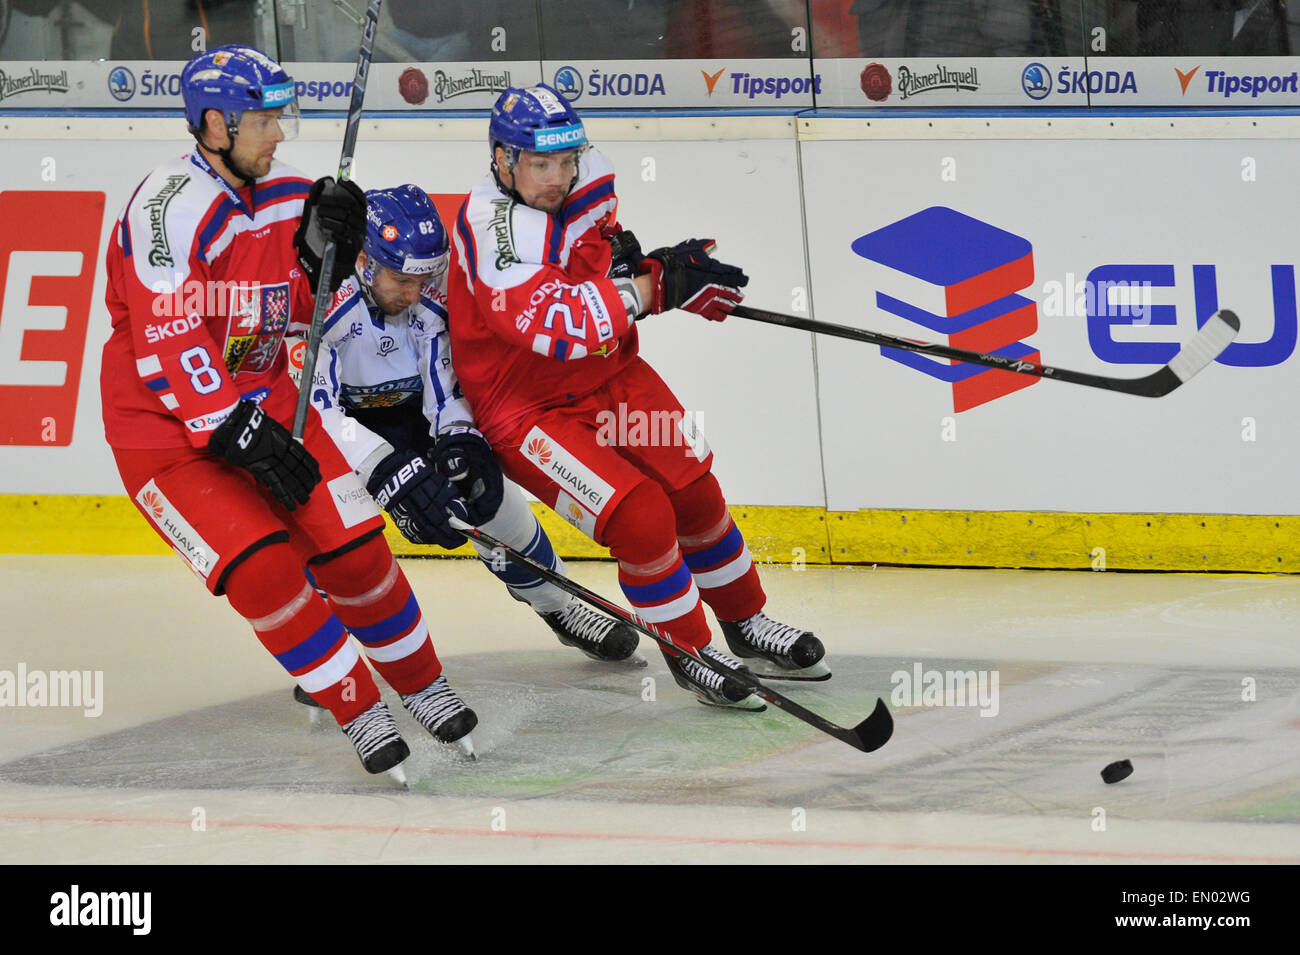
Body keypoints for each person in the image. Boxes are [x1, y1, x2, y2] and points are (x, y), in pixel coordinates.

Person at [99, 44, 473, 784]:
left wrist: (322, 258)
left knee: (355, 548)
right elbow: (168, 333)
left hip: (268, 399)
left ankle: (423, 684)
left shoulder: (294, 192)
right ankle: (357, 706)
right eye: (265, 120)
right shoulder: (167, 208)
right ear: (216, 124)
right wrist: (230, 424)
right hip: (165, 433)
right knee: (265, 571)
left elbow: (299, 312)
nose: (279, 134)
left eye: (282, 117)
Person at [447, 84, 830, 711]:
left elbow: (598, 260)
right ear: (502, 160)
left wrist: (655, 268)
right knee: (641, 517)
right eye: (540, 164)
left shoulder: (590, 176)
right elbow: (557, 327)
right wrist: (653, 290)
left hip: (612, 373)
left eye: (565, 161)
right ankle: (690, 652)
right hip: (527, 409)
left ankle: (745, 620)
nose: (558, 177)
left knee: (695, 491)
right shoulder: (495, 230)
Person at [297, 183, 641, 665]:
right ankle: (330, 655)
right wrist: (383, 468)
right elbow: (316, 411)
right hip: (341, 431)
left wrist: (459, 437)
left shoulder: (433, 293)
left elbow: (446, 384)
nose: (414, 293)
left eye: (424, 277)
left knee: (490, 501)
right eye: (401, 279)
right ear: (362, 261)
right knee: (331, 534)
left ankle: (557, 604)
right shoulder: (320, 301)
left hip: (414, 416)